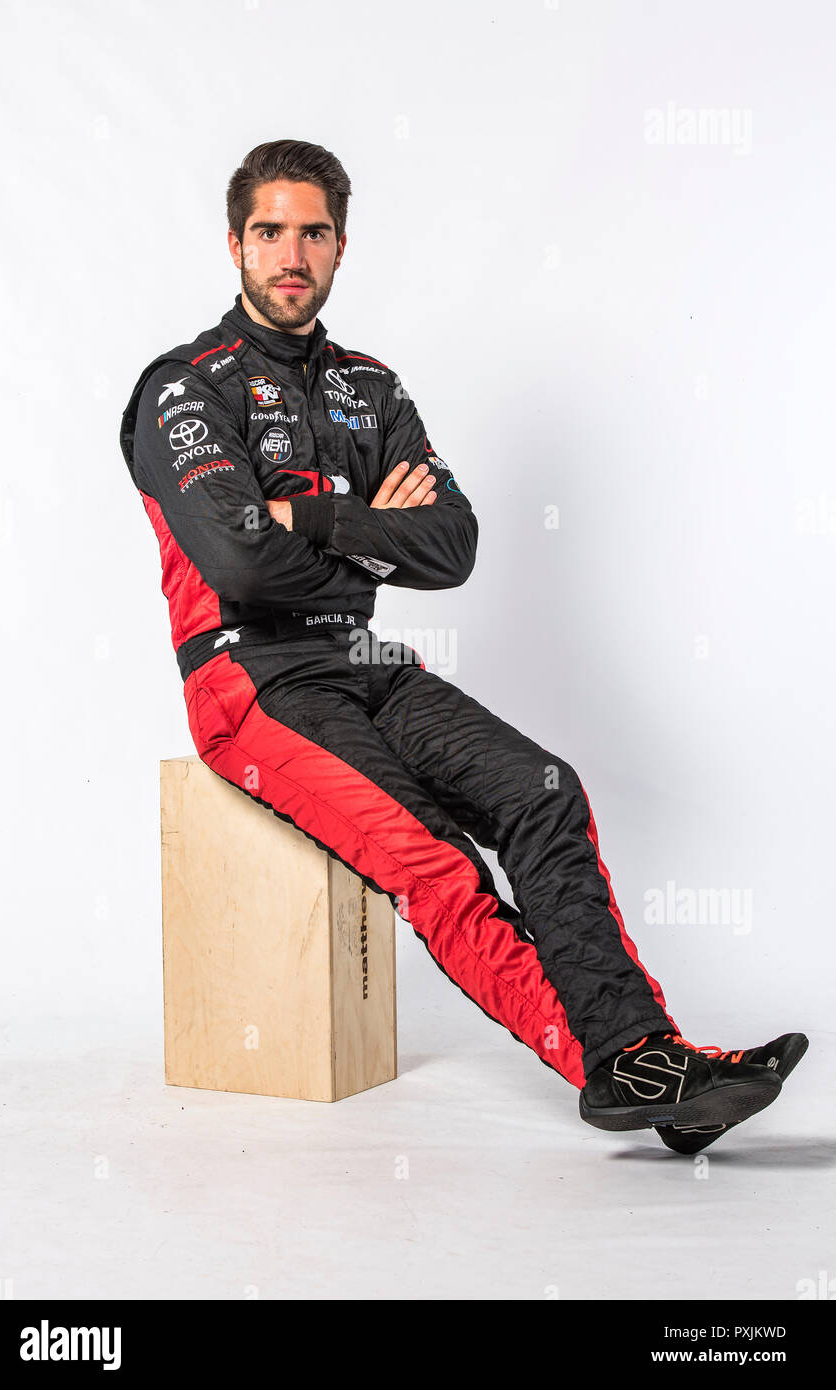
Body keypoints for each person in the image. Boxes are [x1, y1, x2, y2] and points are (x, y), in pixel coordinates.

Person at [120, 138, 806, 1153]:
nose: (290, 252)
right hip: (246, 677)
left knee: (542, 787)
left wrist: (309, 514)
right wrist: (366, 533)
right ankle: (613, 1067)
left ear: (341, 247)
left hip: (362, 663)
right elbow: (242, 567)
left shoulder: (372, 389)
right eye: (269, 231)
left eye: (312, 230)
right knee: (434, 859)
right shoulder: (183, 389)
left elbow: (452, 545)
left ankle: (645, 1059)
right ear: (235, 244)